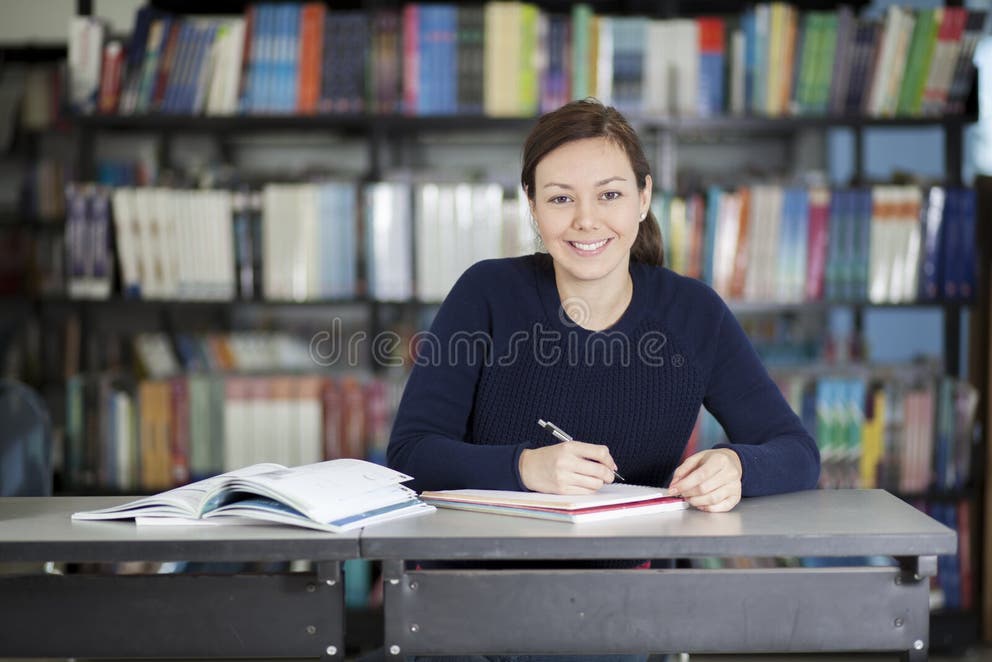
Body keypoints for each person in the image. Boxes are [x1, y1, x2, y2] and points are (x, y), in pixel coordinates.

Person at [383, 98, 820, 661]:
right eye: (561, 198)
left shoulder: (693, 314)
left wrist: (736, 466)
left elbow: (798, 452)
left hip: (623, 611)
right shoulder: (486, 294)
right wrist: (524, 467)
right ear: (534, 209)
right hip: (472, 605)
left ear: (643, 198)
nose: (586, 220)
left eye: (609, 194)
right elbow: (410, 453)